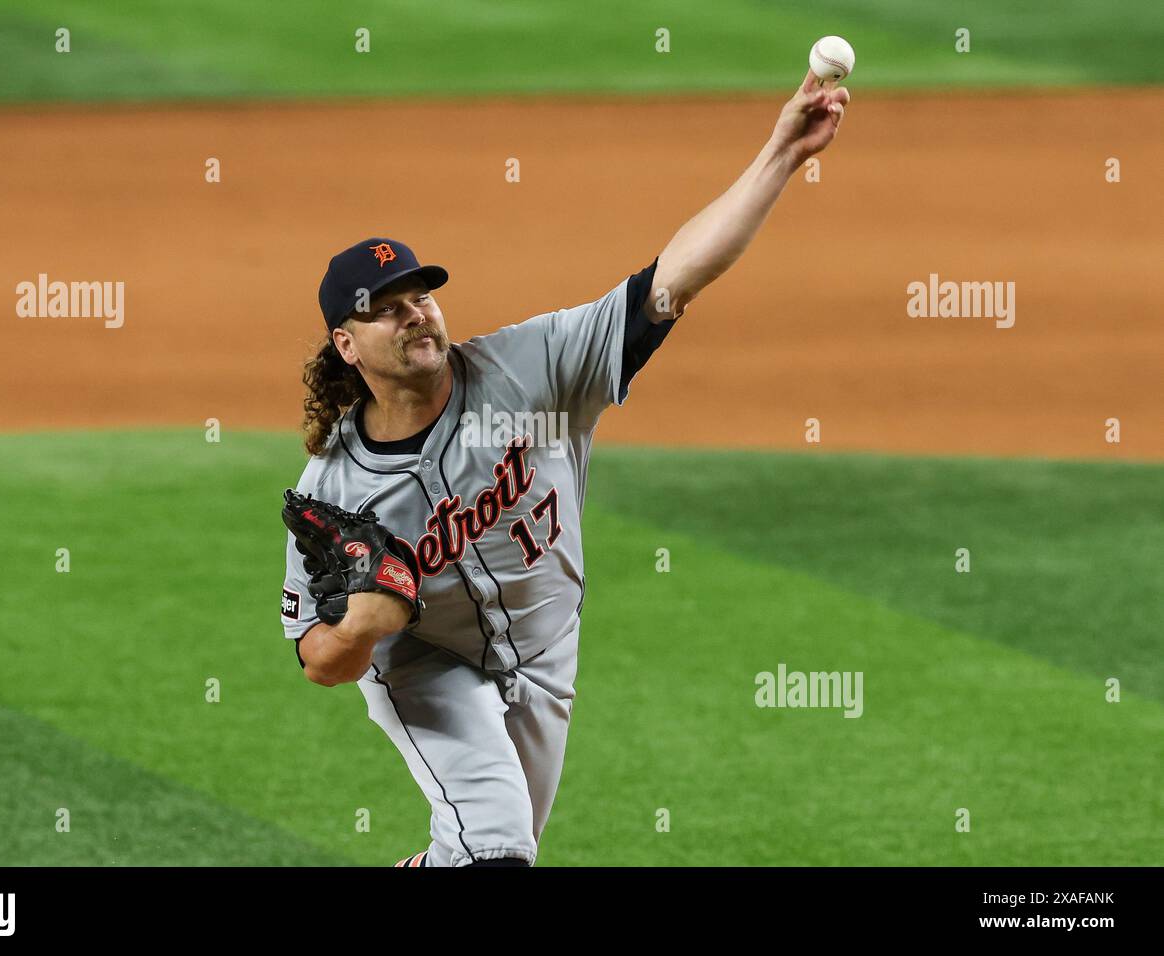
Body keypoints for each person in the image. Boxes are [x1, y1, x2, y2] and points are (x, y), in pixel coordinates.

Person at [280, 72, 850, 866]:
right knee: (501, 853)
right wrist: (362, 628)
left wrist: (782, 153)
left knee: (476, 856)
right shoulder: (333, 489)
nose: (416, 311)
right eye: (386, 305)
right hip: (426, 667)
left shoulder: (532, 368)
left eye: (421, 294)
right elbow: (318, 661)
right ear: (347, 343)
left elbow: (674, 278)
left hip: (548, 654)